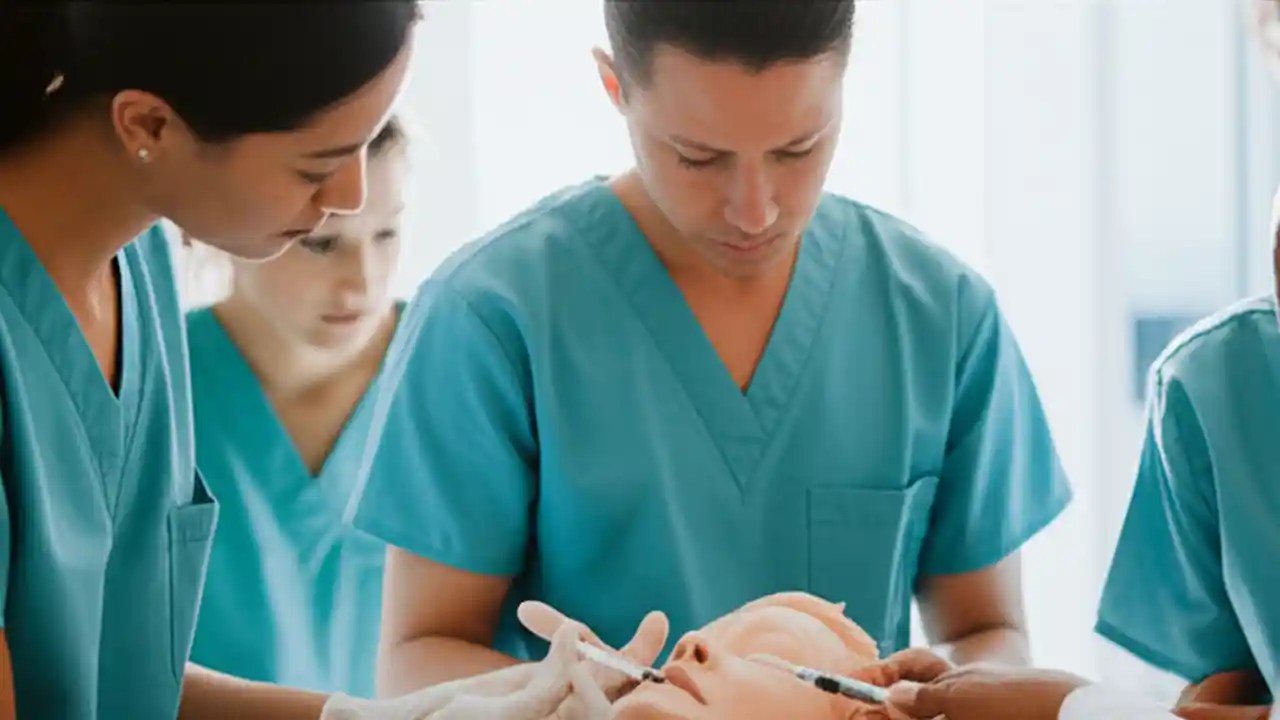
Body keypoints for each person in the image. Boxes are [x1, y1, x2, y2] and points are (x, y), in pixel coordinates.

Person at [351, 0, 1071, 694]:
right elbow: (418, 657)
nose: (755, 210)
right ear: (615, 87)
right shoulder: (494, 317)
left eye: (799, 148)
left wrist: (933, 696)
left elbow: (987, 631)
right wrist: (587, 705)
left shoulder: (940, 314)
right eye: (698, 157)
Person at [0, 4, 626, 719]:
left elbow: (123, 679)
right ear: (148, 125)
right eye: (317, 165)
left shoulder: (134, 265)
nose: (349, 199)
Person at [184, 116, 410, 698]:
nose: (363, 279)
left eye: (385, 235)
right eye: (321, 243)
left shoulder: (455, 370)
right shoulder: (157, 380)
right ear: (223, 228)